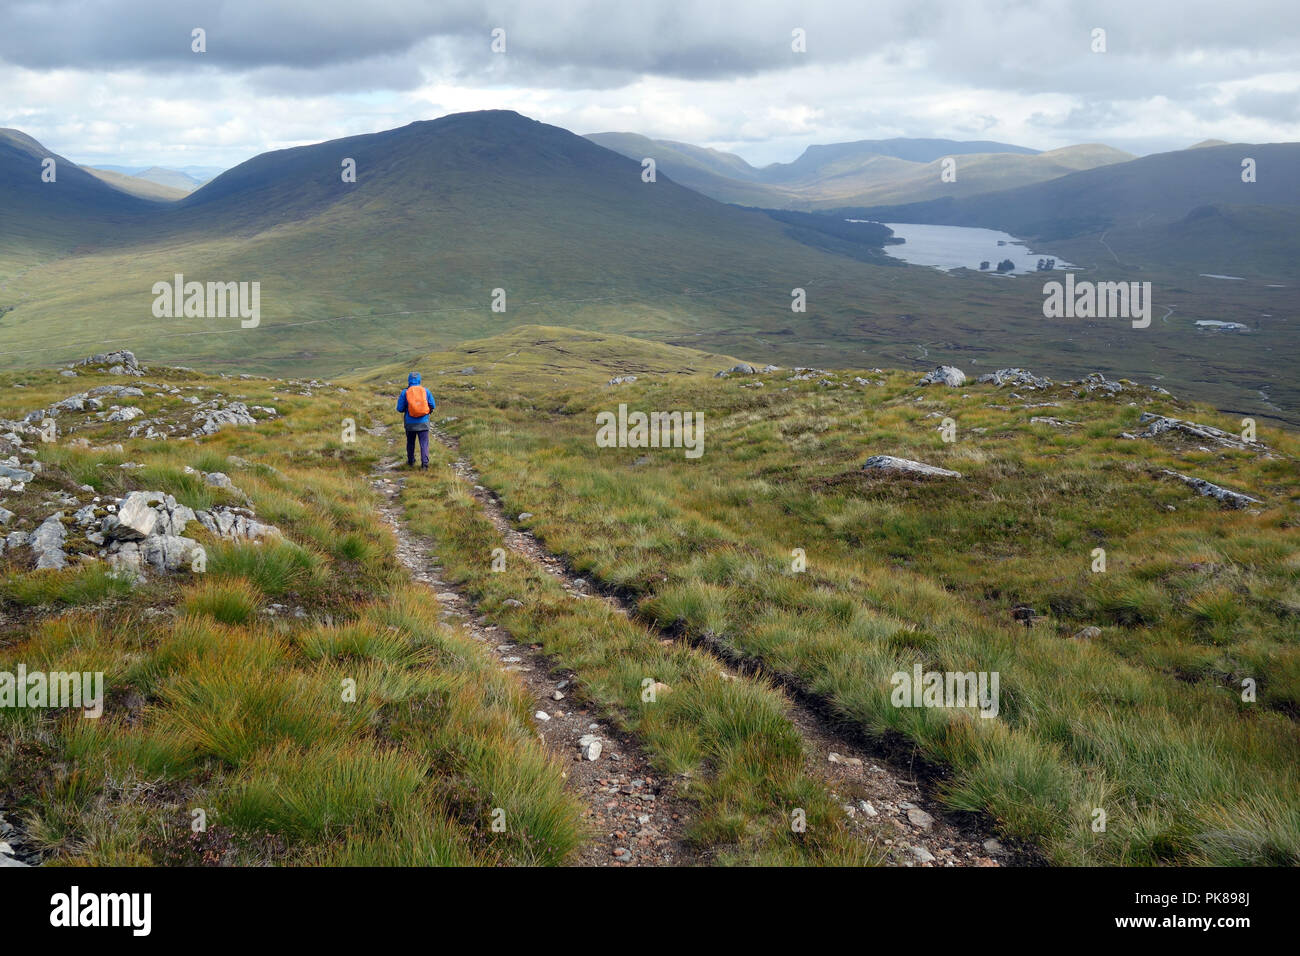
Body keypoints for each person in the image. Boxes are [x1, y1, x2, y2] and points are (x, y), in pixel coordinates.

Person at [396, 372, 436, 469]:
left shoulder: (405, 392)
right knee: (424, 443)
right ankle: (425, 464)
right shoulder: (426, 391)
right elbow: (433, 405)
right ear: (419, 379)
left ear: (409, 380)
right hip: (424, 422)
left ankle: (411, 461)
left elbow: (399, 408)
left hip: (410, 423)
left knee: (410, 442)